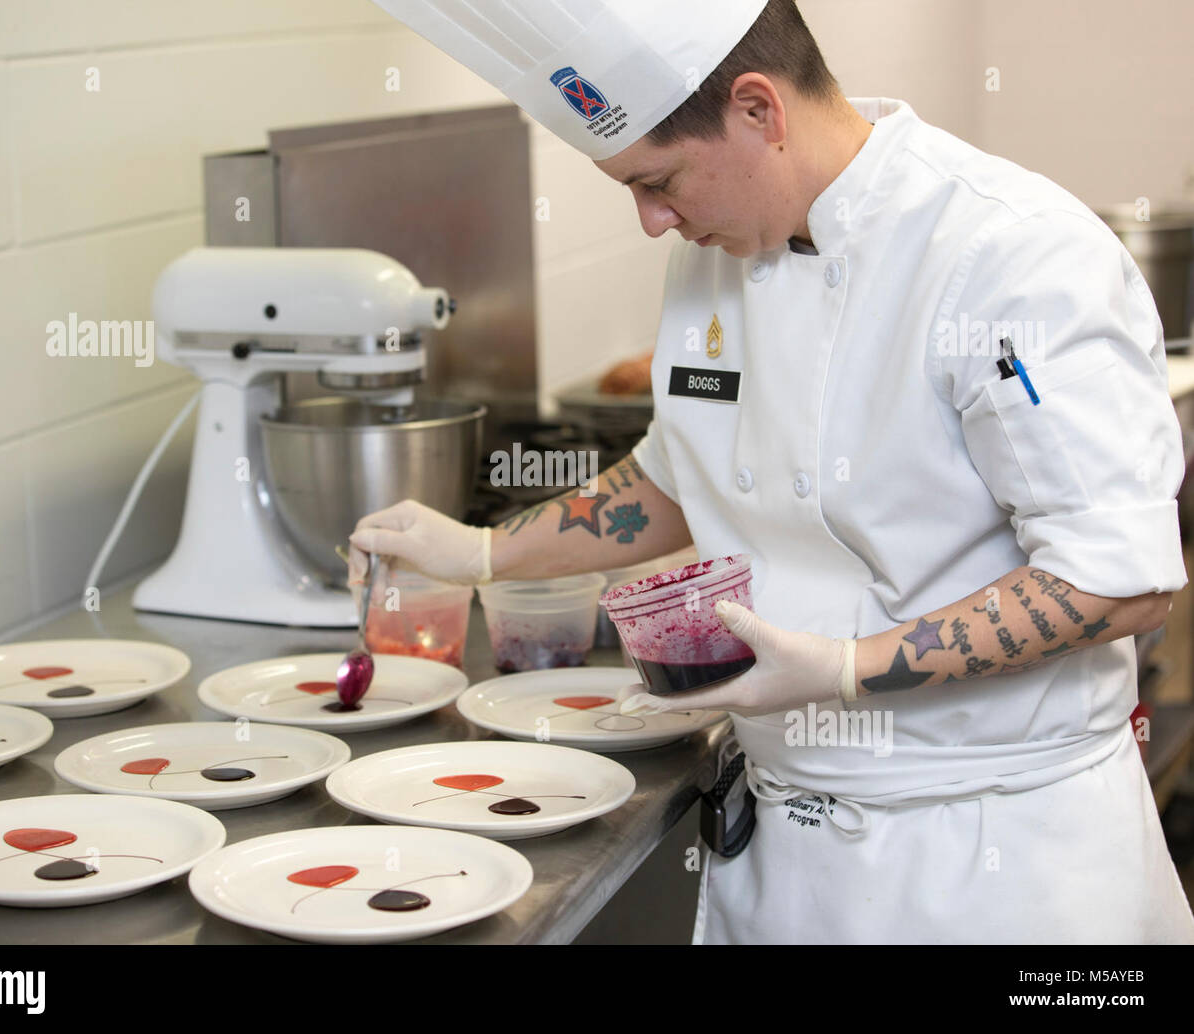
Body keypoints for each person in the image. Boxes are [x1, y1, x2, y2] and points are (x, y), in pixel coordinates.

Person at [353, 0, 1194, 943]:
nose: (649, 220)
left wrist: (845, 670)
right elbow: (680, 477)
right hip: (788, 863)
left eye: (660, 181)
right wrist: (475, 553)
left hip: (994, 863)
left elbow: (1118, 581)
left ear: (759, 109)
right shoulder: (716, 250)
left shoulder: (1012, 254)